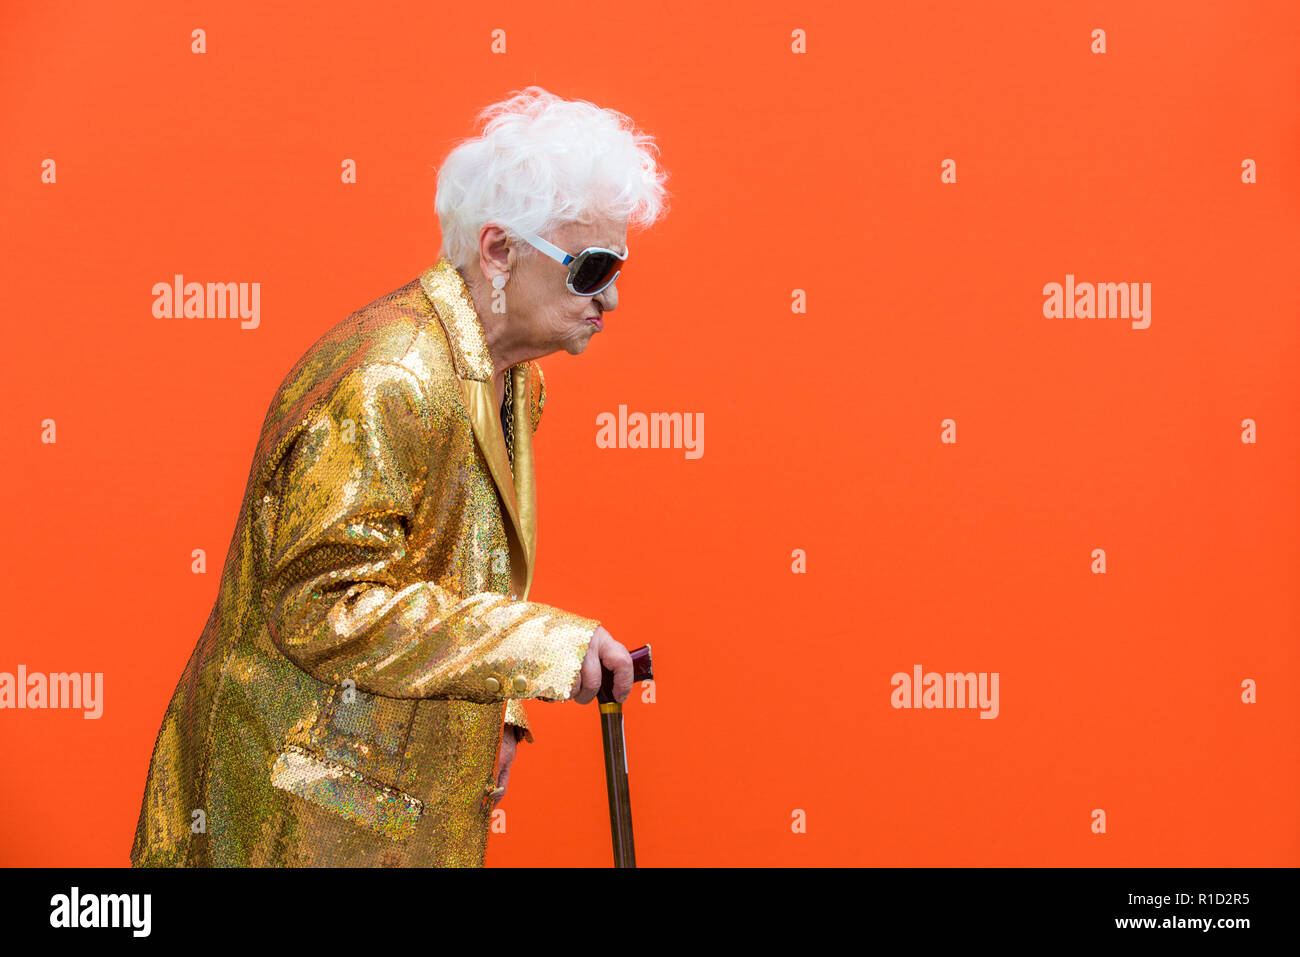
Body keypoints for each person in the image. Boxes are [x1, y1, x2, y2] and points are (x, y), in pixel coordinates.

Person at [129, 85, 670, 867]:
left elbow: (472, 565)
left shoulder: (514, 378)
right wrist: (541, 647)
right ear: (498, 251)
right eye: (591, 269)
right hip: (297, 808)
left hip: (397, 793)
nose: (611, 296)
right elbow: (325, 606)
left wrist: (507, 706)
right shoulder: (393, 377)